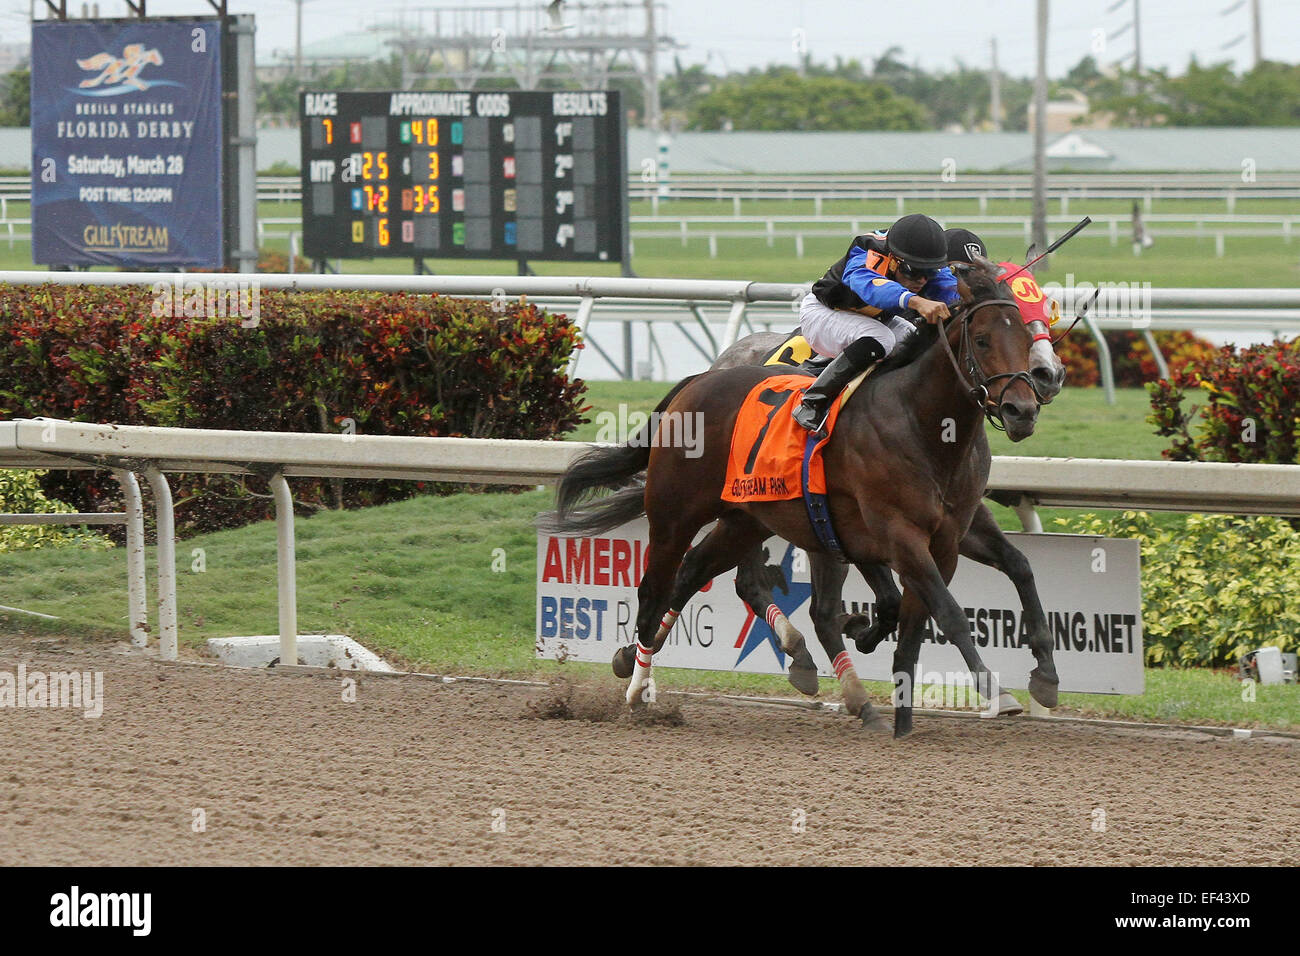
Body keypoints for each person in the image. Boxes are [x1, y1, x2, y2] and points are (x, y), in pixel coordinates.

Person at [792, 213, 960, 431]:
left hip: (866, 319)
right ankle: (813, 402)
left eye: (929, 273)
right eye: (914, 271)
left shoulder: (920, 260)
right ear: (893, 259)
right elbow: (870, 286)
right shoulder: (867, 251)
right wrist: (915, 301)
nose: (921, 280)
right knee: (882, 338)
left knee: (912, 338)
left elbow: (951, 288)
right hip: (822, 314)